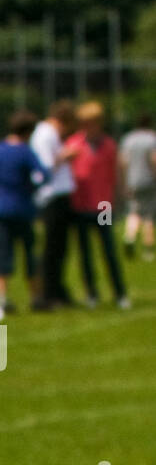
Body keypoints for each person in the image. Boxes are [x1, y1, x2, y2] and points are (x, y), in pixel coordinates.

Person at [0, 109, 49, 313]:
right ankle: (35, 297)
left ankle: (2, 298)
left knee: (3, 254)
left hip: (0, 208)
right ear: (28, 132)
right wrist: (31, 187)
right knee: (30, 254)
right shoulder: (25, 151)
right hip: (23, 209)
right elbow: (43, 175)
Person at [67, 102, 129, 309]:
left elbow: (116, 175)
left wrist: (119, 197)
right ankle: (91, 293)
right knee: (85, 252)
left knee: (108, 249)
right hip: (81, 204)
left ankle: (120, 293)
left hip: (103, 205)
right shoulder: (74, 144)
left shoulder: (109, 145)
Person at [30, 101, 85, 308]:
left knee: (60, 248)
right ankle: (48, 293)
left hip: (59, 196)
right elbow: (46, 166)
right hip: (52, 197)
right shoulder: (46, 134)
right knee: (52, 248)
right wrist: (67, 154)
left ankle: (57, 290)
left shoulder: (48, 134)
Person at [118, 113, 156, 263]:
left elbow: (123, 161)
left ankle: (130, 237)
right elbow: (154, 160)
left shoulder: (128, 139)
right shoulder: (152, 139)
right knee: (148, 215)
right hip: (149, 181)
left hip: (132, 181)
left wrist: (124, 181)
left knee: (134, 212)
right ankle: (148, 249)